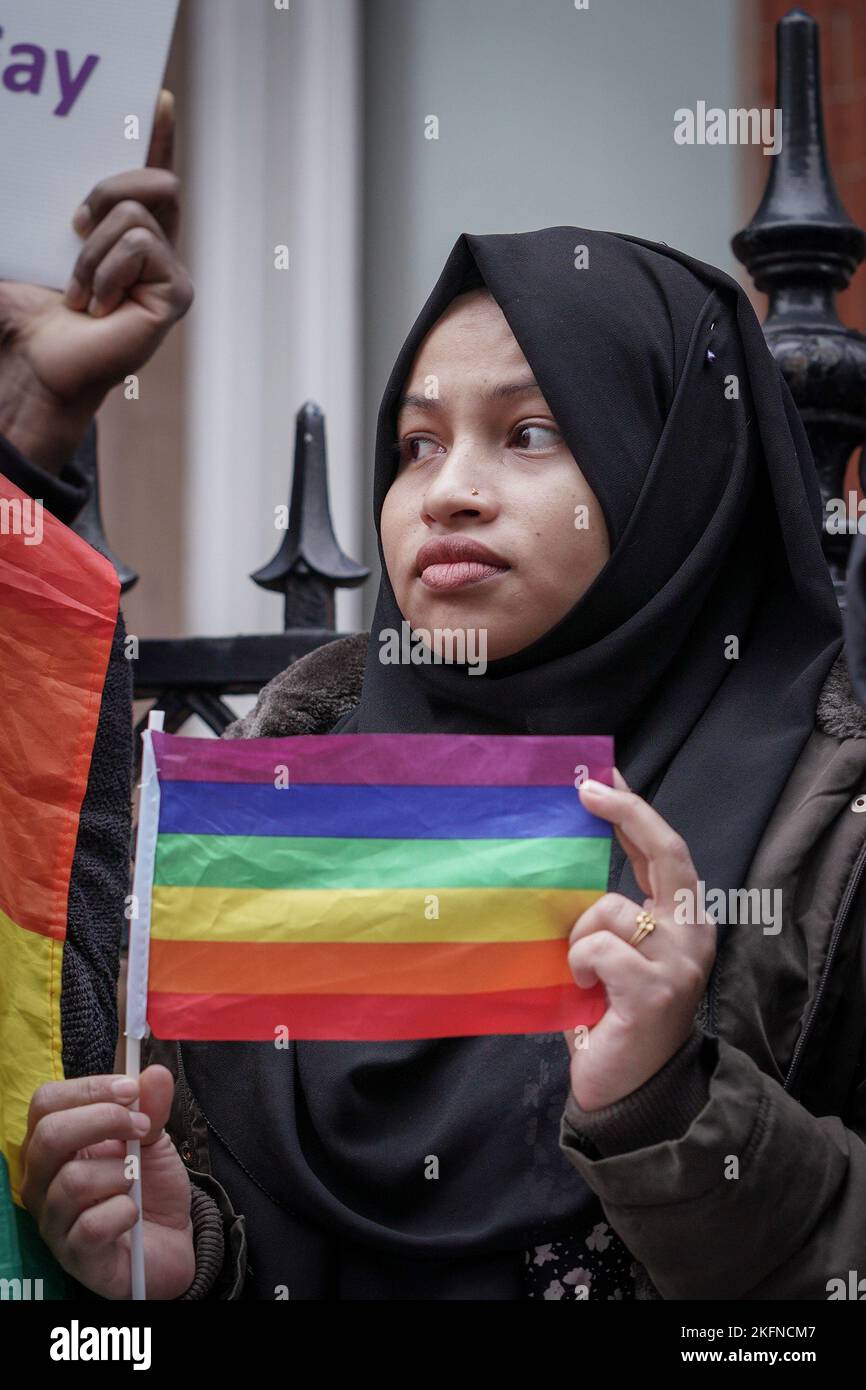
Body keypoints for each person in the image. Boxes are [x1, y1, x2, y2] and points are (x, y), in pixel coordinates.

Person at [14, 138, 866, 1300]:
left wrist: (670, 1108)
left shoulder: (828, 834)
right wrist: (190, 1263)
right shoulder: (281, 787)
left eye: (529, 432)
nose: (448, 490)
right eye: (416, 444)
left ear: (674, 469)